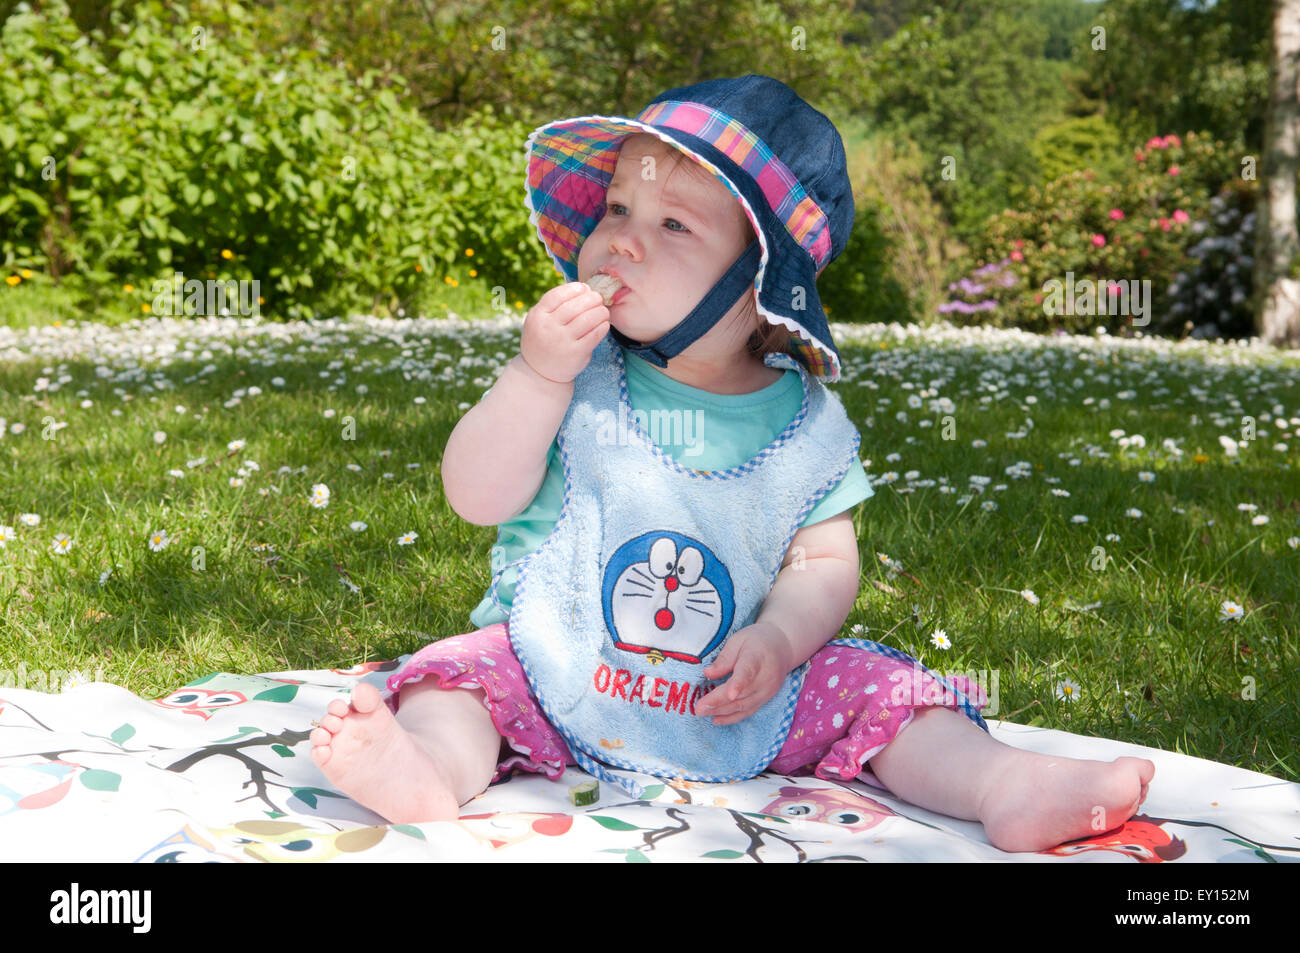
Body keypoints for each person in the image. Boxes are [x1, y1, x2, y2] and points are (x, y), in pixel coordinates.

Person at [310, 75, 1154, 853]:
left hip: (740, 693)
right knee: (458, 682)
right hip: (551, 663)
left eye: (672, 224)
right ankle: (423, 768)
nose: (620, 243)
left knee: (882, 690)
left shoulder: (808, 426)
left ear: (757, 283)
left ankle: (1004, 781)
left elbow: (824, 560)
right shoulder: (576, 379)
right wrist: (534, 377)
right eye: (615, 208)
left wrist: (781, 642)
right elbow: (474, 495)